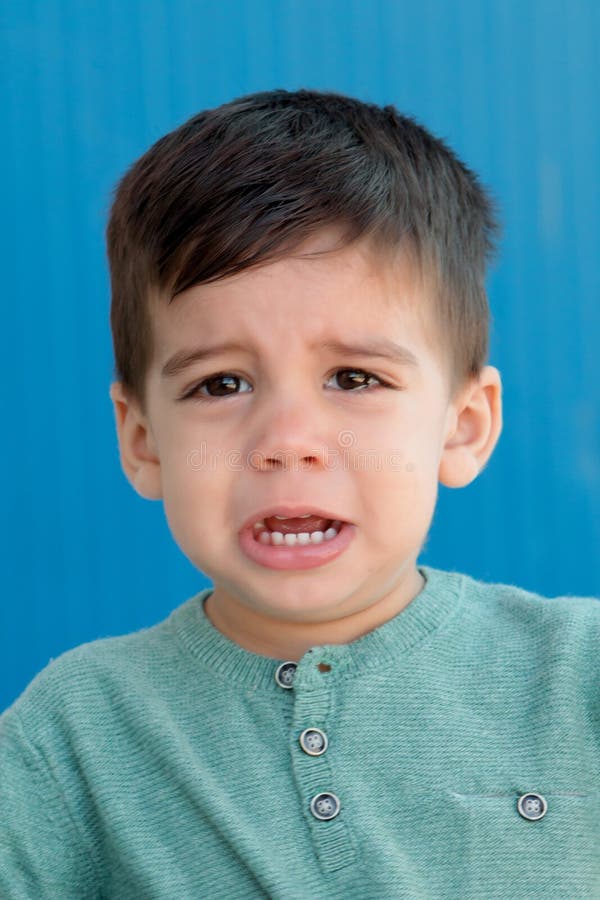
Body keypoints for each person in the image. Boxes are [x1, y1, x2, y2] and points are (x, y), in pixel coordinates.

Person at [1, 88, 598, 899]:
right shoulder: (70, 736)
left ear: (462, 425)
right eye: (220, 385)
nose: (286, 441)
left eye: (354, 378)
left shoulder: (577, 676)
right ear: (142, 441)